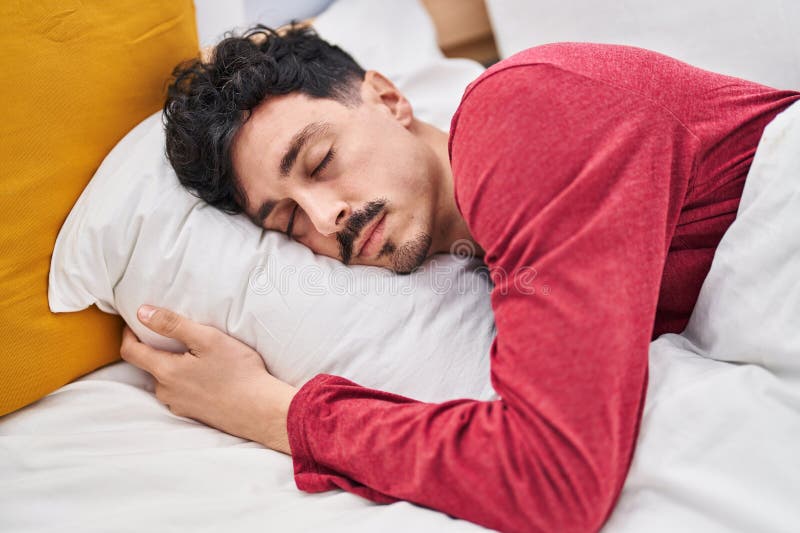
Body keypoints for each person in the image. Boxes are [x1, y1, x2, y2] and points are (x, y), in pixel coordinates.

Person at [119, 25, 800, 532]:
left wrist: (278, 414)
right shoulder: (490, 251)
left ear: (386, 98)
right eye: (288, 223)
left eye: (321, 160)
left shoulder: (512, 117)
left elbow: (554, 478)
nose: (328, 217)